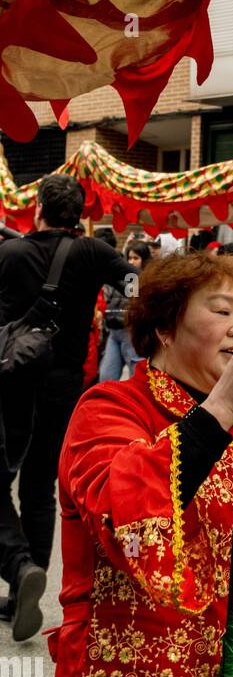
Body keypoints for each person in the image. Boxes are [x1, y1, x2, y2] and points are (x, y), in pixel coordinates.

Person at [52, 250, 233, 676]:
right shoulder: (107, 409)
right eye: (221, 310)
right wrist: (219, 409)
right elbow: (122, 521)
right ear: (165, 328)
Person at [0, 174, 131, 642]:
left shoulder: (10, 254)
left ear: (38, 208)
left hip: (13, 382)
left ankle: (19, 569)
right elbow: (135, 283)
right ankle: (23, 592)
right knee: (40, 486)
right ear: (78, 213)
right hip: (65, 386)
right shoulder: (92, 253)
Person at [98, 240, 149, 382]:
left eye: (136, 258)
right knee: (106, 376)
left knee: (137, 378)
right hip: (114, 331)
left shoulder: (147, 279)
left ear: (144, 259)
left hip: (132, 334)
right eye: (130, 258)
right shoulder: (125, 276)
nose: (132, 261)